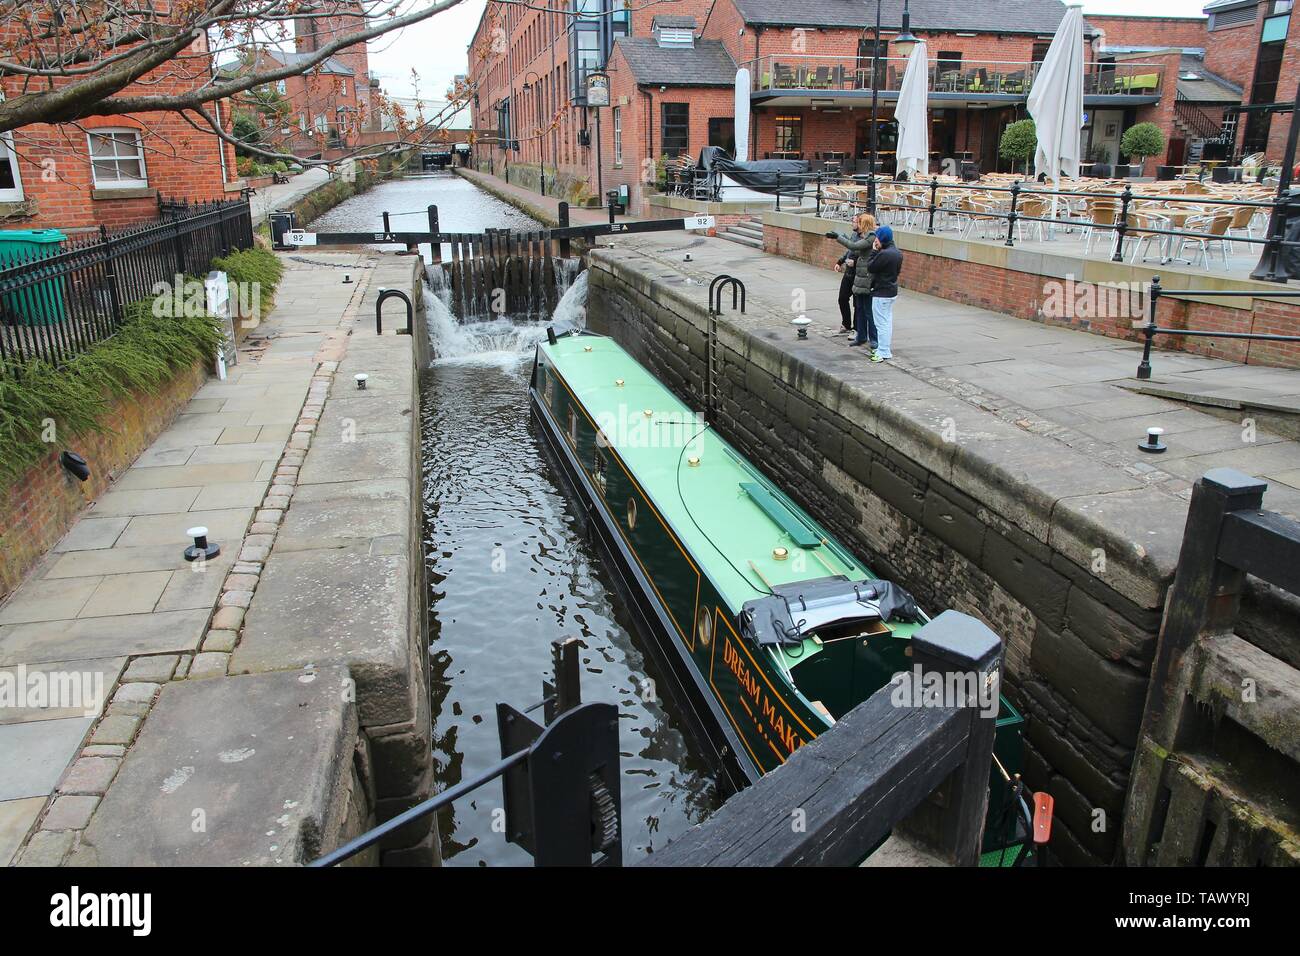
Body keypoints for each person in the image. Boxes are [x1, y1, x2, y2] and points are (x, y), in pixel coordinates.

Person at [826, 213, 877, 352]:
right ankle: (859, 335)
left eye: (858, 222)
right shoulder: (861, 236)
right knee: (856, 305)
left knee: (866, 310)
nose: (856, 224)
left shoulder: (871, 237)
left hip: (863, 277)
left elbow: (854, 247)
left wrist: (838, 237)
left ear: (864, 224)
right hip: (856, 275)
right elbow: (851, 250)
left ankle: (871, 339)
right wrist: (842, 261)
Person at [866, 225, 902, 363]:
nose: (875, 241)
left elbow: (871, 267)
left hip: (881, 293)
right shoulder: (898, 253)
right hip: (891, 291)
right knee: (887, 322)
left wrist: (874, 252)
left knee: (881, 324)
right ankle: (885, 349)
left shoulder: (884, 254)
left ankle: (882, 351)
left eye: (877, 239)